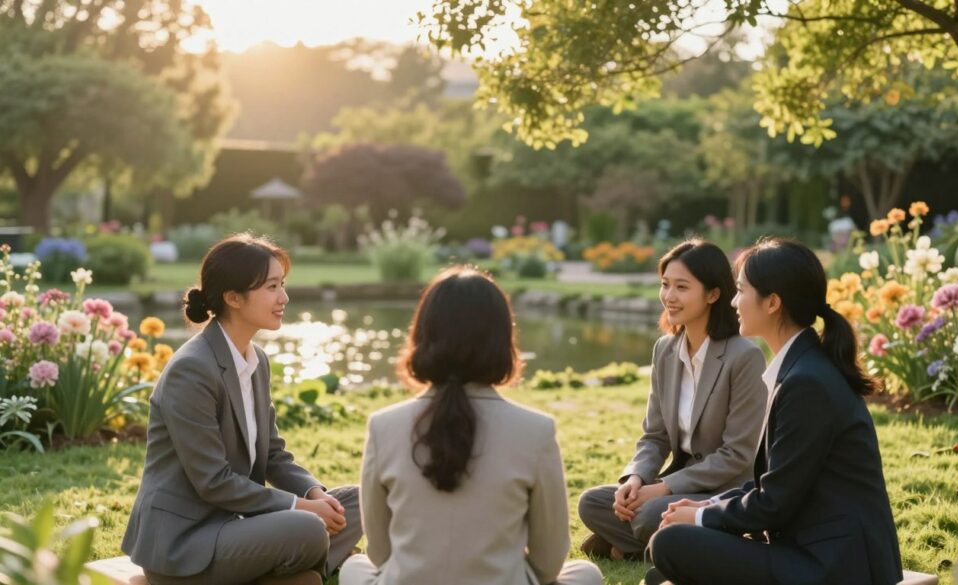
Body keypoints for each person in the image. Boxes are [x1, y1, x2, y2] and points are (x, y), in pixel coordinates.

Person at [647, 237, 902, 585]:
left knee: (670, 543)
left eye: (740, 291)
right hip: (817, 550)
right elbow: (775, 482)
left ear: (772, 303)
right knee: (669, 551)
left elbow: (773, 503)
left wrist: (701, 518)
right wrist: (704, 507)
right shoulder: (802, 367)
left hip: (833, 566)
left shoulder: (807, 383)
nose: (734, 302)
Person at [121, 234, 362, 585]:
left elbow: (274, 454)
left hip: (239, 524)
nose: (284, 298)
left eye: (283, 285)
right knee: (309, 528)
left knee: (358, 501)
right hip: (187, 542)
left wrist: (313, 493)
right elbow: (213, 481)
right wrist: (300, 509)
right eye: (272, 287)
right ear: (233, 298)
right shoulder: (192, 369)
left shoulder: (255, 360)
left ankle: (289, 572)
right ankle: (299, 570)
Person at [339, 266, 602, 585]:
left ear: (422, 335)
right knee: (585, 573)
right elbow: (549, 561)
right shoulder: (536, 430)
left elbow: (381, 553)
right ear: (503, 340)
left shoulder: (383, 426)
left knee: (356, 567)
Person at [578, 239, 766, 561]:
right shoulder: (665, 350)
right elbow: (654, 435)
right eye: (665, 285)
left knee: (652, 515)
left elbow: (738, 454)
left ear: (713, 294)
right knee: (592, 501)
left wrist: (663, 488)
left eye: (682, 287)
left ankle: (642, 543)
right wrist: (636, 479)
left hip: (725, 490)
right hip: (675, 485)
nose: (669, 296)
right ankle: (650, 544)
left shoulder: (744, 356)